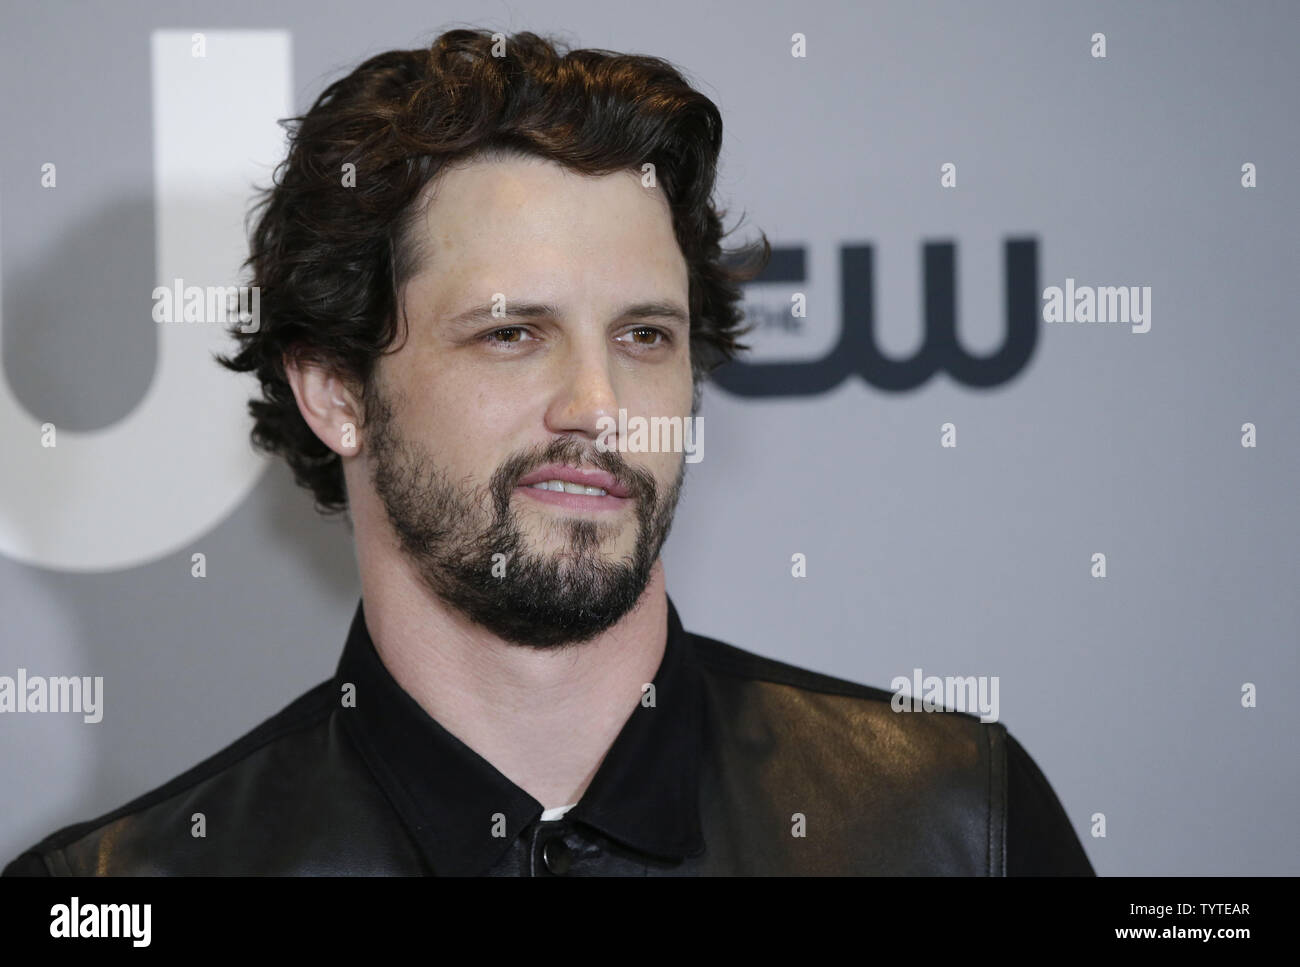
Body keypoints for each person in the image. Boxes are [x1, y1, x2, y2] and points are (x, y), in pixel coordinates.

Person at [3, 27, 1093, 876]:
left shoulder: (955, 820)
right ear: (337, 391)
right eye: (511, 334)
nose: (597, 403)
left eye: (644, 336)